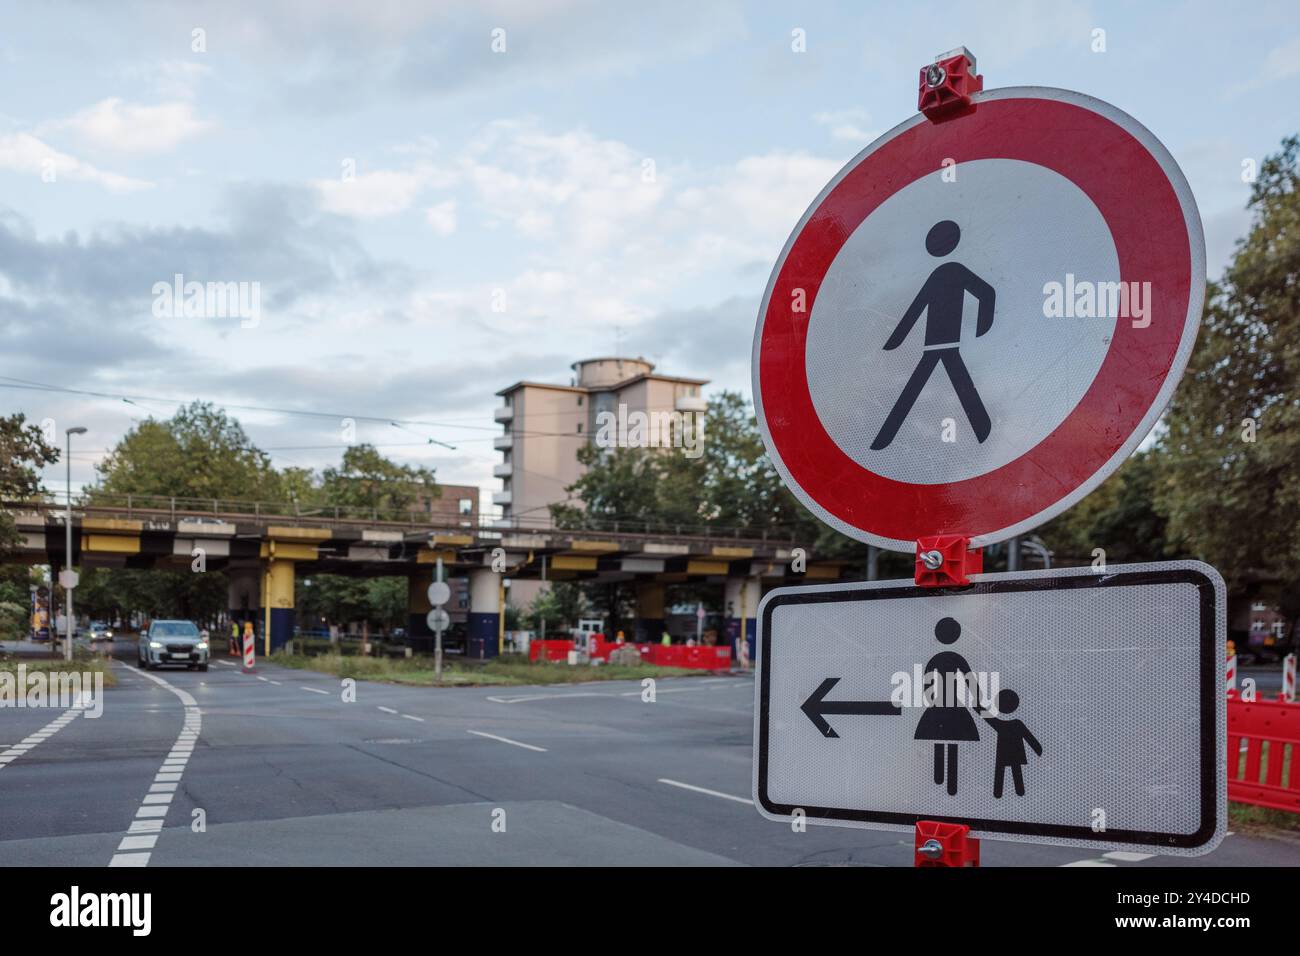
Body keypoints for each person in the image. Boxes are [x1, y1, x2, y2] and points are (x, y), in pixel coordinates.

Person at [871, 219, 996, 450]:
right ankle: (885, 438)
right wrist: (895, 340)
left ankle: (983, 428)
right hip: (933, 344)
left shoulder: (954, 271)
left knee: (949, 385)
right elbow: (916, 308)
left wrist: (983, 326)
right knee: (923, 386)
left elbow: (986, 293)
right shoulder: (939, 274)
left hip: (948, 342)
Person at [913, 616, 979, 796]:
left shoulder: (936, 659)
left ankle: (942, 782)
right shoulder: (956, 658)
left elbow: (926, 684)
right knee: (951, 741)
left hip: (939, 705)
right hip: (952, 706)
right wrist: (978, 700)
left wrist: (930, 700)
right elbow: (970, 681)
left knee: (943, 739)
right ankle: (946, 784)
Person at [973, 689, 1042, 798]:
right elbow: (1030, 738)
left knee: (1002, 772)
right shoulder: (1017, 724)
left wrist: (976, 706)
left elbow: (987, 717)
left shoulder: (1000, 724)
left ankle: (998, 793)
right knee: (1015, 771)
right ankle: (1017, 792)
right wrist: (1038, 749)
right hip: (1015, 754)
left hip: (1003, 754)